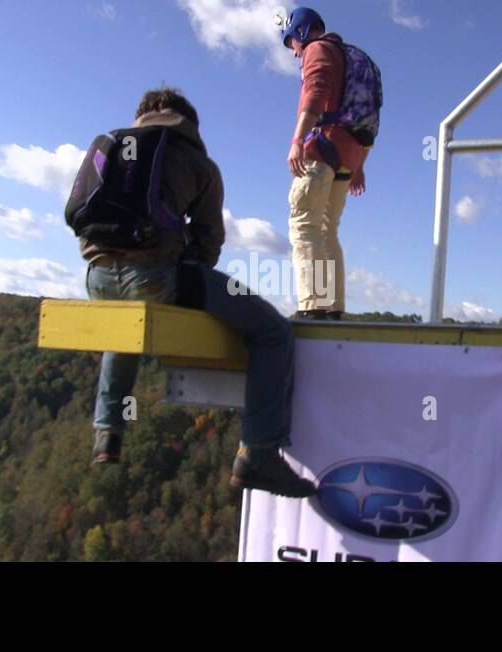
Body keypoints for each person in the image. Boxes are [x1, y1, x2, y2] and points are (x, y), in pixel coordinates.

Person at [67, 87, 316, 498]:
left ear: (142, 116)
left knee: (124, 319)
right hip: (157, 276)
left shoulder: (111, 146)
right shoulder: (197, 160)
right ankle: (258, 453)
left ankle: (107, 431)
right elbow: (209, 240)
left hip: (96, 277)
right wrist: (190, 268)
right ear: (188, 122)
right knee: (272, 332)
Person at [281, 7, 381, 320]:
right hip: (350, 155)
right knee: (328, 231)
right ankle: (333, 307)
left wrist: (297, 141)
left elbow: (315, 91)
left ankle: (313, 307)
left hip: (322, 149)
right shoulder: (358, 59)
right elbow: (372, 118)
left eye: (292, 43)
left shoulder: (317, 49)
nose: (295, 53)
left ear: (301, 30)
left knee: (305, 226)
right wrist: (360, 164)